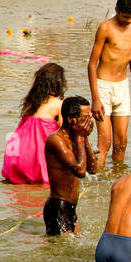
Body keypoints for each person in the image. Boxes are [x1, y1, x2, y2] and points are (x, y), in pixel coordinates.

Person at [88, 0, 131, 164]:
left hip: (122, 87)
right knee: (104, 143)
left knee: (121, 143)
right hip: (103, 86)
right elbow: (92, 64)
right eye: (125, 17)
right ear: (116, 9)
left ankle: (117, 179)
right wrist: (95, 98)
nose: (128, 21)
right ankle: (99, 181)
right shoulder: (105, 28)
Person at [43, 96, 96, 235]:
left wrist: (85, 137)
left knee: (72, 251)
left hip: (71, 207)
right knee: (60, 253)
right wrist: (80, 137)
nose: (89, 121)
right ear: (71, 119)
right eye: (85, 117)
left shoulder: (76, 138)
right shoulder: (56, 140)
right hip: (58, 207)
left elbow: (93, 169)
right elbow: (80, 171)